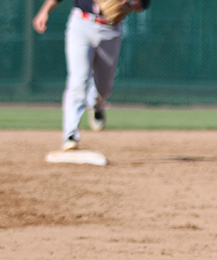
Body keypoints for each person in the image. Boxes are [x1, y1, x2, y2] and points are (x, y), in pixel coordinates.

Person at [32, 0, 149, 151]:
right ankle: (70, 135)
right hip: (81, 24)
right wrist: (44, 12)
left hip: (110, 29)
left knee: (104, 88)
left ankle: (96, 105)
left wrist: (130, 4)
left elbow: (143, 3)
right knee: (78, 82)